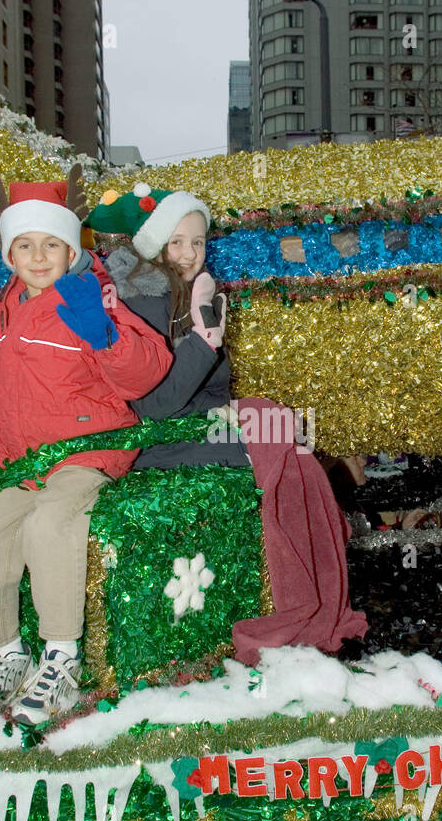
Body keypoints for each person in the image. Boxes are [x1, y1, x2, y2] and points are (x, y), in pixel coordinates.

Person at [91, 184, 368, 661]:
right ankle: (302, 600)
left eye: (197, 242)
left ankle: (313, 590)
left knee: (285, 439)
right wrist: (204, 339)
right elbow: (157, 406)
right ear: (155, 244)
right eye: (177, 242)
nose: (189, 253)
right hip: (158, 441)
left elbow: (209, 388)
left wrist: (230, 408)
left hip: (196, 425)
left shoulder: (190, 290)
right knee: (284, 452)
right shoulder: (141, 303)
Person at [0, 168, 171, 722]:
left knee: (50, 524)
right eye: (25, 245)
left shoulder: (90, 301)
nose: (38, 256)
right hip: (19, 462)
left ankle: (61, 654)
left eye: (51, 245)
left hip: (84, 449)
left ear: (70, 252)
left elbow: (145, 374)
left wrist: (107, 337)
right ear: (8, 254)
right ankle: (8, 652)